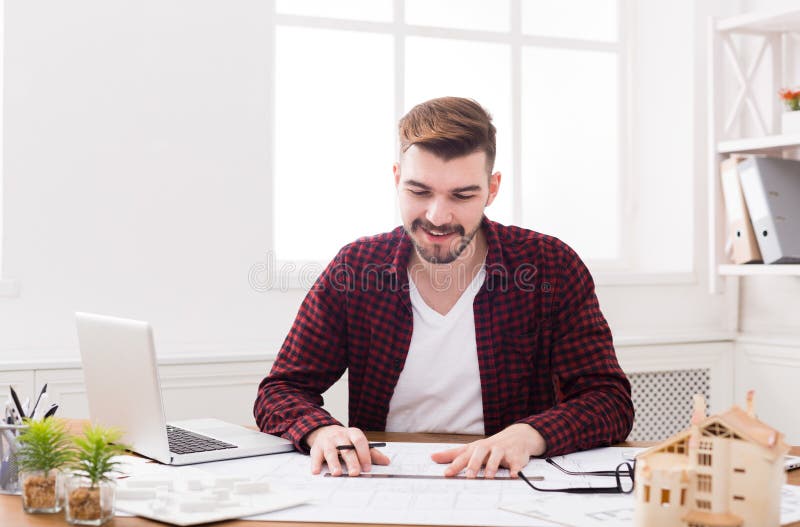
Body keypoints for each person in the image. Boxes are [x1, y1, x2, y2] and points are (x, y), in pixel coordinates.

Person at [254, 96, 634, 479]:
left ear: (492, 188)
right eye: (419, 192)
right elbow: (281, 391)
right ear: (396, 179)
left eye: (462, 195)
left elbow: (609, 401)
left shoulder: (551, 266)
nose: (438, 217)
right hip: (384, 480)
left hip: (509, 480)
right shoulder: (356, 268)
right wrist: (320, 431)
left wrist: (528, 435)